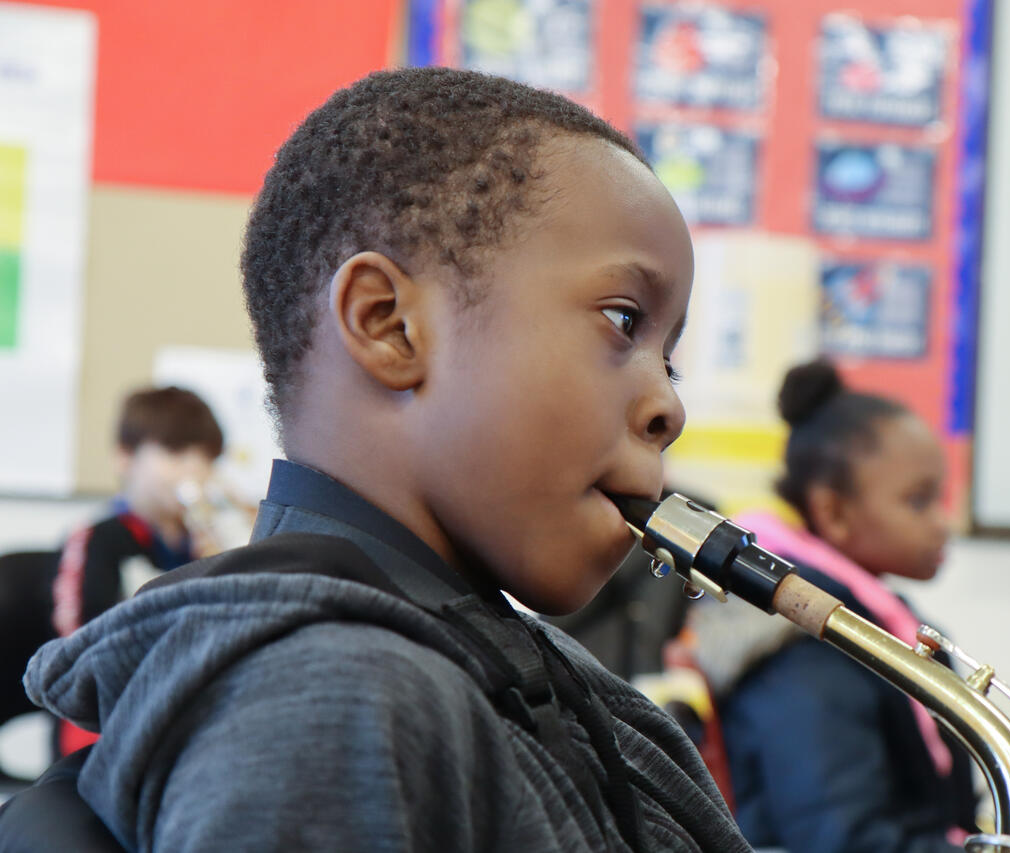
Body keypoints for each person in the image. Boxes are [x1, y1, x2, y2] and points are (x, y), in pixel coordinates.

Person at [11, 67, 750, 852]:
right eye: (622, 319)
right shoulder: (327, 695)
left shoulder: (529, 670)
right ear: (388, 324)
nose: (668, 406)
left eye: (666, 358)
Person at [683, 358, 980, 853]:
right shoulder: (801, 649)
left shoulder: (880, 620)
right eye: (918, 501)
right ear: (834, 512)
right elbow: (843, 841)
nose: (941, 523)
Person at [47, 386, 223, 758]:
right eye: (175, 453)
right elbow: (80, 648)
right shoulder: (97, 539)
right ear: (125, 458)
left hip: (176, 708)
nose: (195, 470)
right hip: (101, 721)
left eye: (207, 457)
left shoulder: (202, 544)